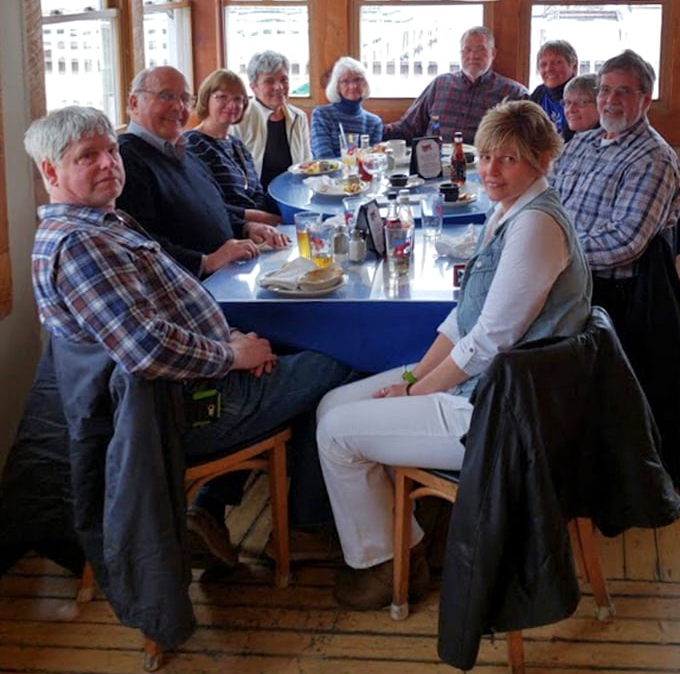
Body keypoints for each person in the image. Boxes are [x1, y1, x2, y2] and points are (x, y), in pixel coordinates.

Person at [24, 106, 356, 570]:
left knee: (297, 362)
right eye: (87, 156)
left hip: (191, 385)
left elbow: (159, 317)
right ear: (50, 171)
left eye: (111, 151)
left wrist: (233, 340)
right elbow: (146, 349)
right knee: (339, 362)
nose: (108, 163)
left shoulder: (103, 223)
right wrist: (232, 356)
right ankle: (305, 527)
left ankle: (217, 512)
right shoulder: (80, 245)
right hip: (185, 410)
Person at [317, 99, 592, 611]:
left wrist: (416, 392)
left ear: (541, 161)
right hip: (492, 387)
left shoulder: (536, 226)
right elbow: (463, 319)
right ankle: (405, 540)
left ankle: (387, 565)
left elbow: (490, 340)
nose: (490, 170)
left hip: (504, 414)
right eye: (485, 156)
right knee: (333, 404)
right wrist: (412, 379)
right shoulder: (509, 211)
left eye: (508, 159)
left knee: (336, 432)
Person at [551, 49, 680, 480]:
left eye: (623, 92)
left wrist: (550, 255)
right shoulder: (584, 143)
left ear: (646, 98)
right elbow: (547, 200)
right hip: (564, 276)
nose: (610, 100)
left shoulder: (653, 158)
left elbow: (625, 243)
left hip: (608, 298)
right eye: (605, 90)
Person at [117, 65, 288, 278]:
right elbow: (136, 240)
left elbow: (212, 209)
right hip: (193, 284)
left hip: (233, 270)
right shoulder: (125, 158)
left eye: (184, 99)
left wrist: (246, 227)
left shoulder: (184, 153)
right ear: (134, 102)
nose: (178, 107)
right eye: (166, 96)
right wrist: (205, 262)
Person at [382, 27, 528, 145]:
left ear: (493, 53)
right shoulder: (440, 84)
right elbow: (408, 128)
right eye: (467, 50)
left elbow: (523, 142)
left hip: (483, 167)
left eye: (480, 49)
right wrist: (375, 129)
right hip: (434, 164)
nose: (472, 56)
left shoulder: (513, 93)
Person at [184, 69, 282, 226]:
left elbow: (258, 194)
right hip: (226, 230)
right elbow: (204, 204)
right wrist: (261, 218)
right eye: (222, 97)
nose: (232, 105)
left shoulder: (237, 145)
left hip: (260, 228)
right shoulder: (192, 143)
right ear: (206, 99)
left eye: (238, 99)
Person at [231, 50, 311, 188]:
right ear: (253, 87)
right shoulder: (240, 118)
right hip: (253, 196)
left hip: (293, 193)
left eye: (284, 80)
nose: (279, 87)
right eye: (269, 81)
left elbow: (307, 164)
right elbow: (234, 172)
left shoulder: (299, 117)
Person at [311, 57, 383, 158]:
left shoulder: (374, 122)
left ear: (365, 83)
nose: (353, 86)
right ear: (337, 87)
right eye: (345, 81)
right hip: (328, 168)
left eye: (358, 80)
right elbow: (323, 157)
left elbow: (372, 160)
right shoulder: (321, 115)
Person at [530, 39, 578, 140]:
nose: (549, 69)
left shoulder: (582, 95)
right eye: (543, 64)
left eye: (557, 63)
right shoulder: (539, 94)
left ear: (574, 66)